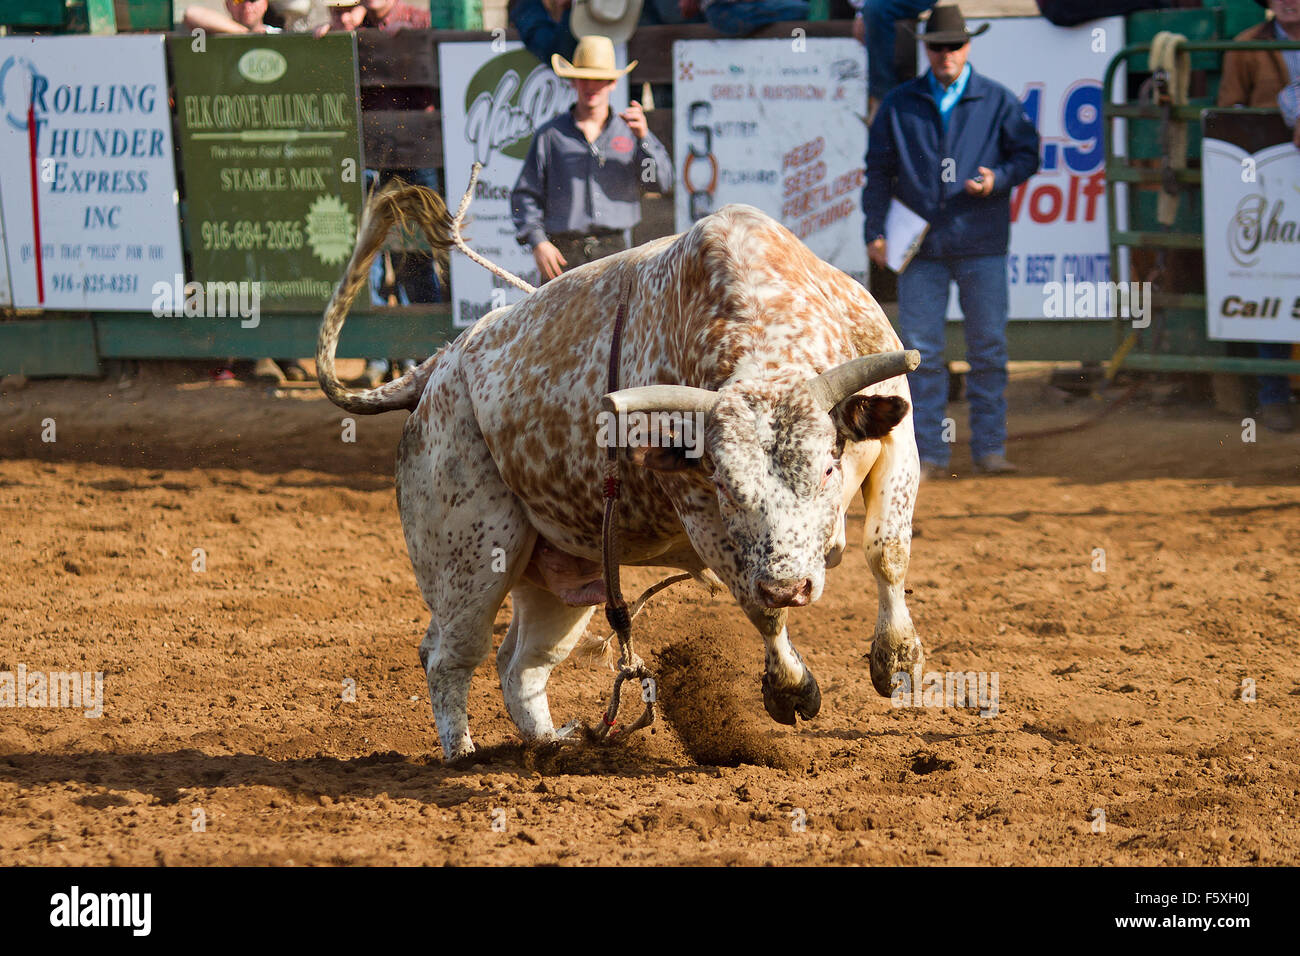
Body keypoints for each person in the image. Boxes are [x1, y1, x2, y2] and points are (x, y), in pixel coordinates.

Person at [861, 4, 1039, 479]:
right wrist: (873, 230)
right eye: (937, 47)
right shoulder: (906, 103)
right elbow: (877, 171)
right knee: (924, 353)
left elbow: (1027, 156)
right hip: (930, 248)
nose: (945, 54)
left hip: (974, 243)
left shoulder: (990, 100)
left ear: (967, 46)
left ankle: (987, 449)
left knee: (986, 349)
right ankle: (935, 455)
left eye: (952, 46)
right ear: (927, 49)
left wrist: (998, 179)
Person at [510, 35, 673, 282]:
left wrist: (645, 139)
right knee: (562, 322)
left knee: (621, 322)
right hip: (564, 256)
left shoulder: (632, 133)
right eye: (584, 78)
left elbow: (657, 183)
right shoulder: (551, 135)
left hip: (618, 253)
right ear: (573, 81)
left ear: (612, 83)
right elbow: (525, 195)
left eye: (598, 79)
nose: (591, 86)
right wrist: (538, 243)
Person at [1216, 0, 1300, 432]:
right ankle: (1274, 395)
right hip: (1271, 188)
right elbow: (1229, 112)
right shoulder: (1247, 46)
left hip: (1279, 184)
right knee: (1273, 284)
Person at [683, 0, 808, 37]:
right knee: (803, 10)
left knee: (802, 9)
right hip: (725, 11)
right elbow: (686, 7)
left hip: (728, 12)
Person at [182, 0, 285, 34]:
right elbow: (191, 13)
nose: (246, 6)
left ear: (265, 4)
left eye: (253, 0)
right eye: (239, 0)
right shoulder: (220, 33)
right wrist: (244, 33)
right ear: (228, 5)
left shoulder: (280, 35)